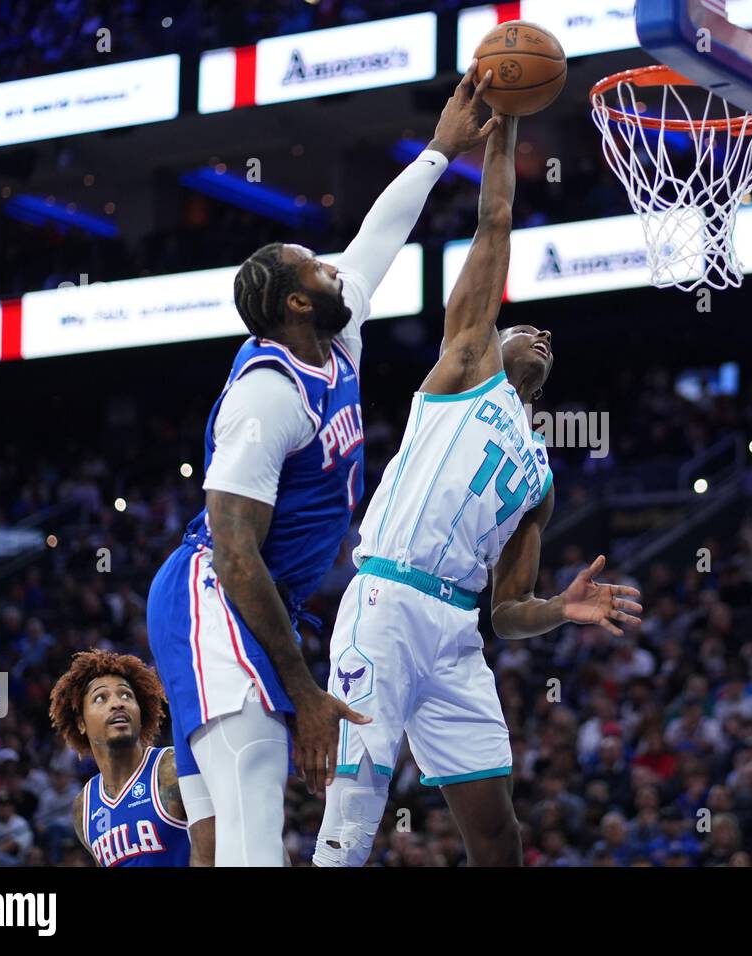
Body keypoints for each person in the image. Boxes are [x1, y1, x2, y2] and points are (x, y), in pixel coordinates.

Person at [145, 65, 501, 866]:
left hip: (260, 600)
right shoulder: (268, 394)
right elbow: (237, 555)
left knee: (223, 844)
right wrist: (304, 694)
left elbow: (381, 235)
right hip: (213, 592)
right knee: (252, 820)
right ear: (295, 303)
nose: (337, 267)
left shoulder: (337, 333)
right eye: (317, 265)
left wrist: (441, 151)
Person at [313, 110, 641, 867]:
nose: (543, 335)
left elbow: (507, 614)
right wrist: (507, 126)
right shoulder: (465, 371)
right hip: (388, 602)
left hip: (457, 634)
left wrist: (559, 609)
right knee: (354, 816)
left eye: (549, 337)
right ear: (491, 340)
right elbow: (495, 223)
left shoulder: (540, 477)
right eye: (524, 327)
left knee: (498, 833)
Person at [49, 650, 191, 867]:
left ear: (140, 714)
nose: (117, 704)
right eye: (100, 698)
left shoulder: (171, 768)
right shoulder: (84, 807)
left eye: (126, 695)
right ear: (81, 723)